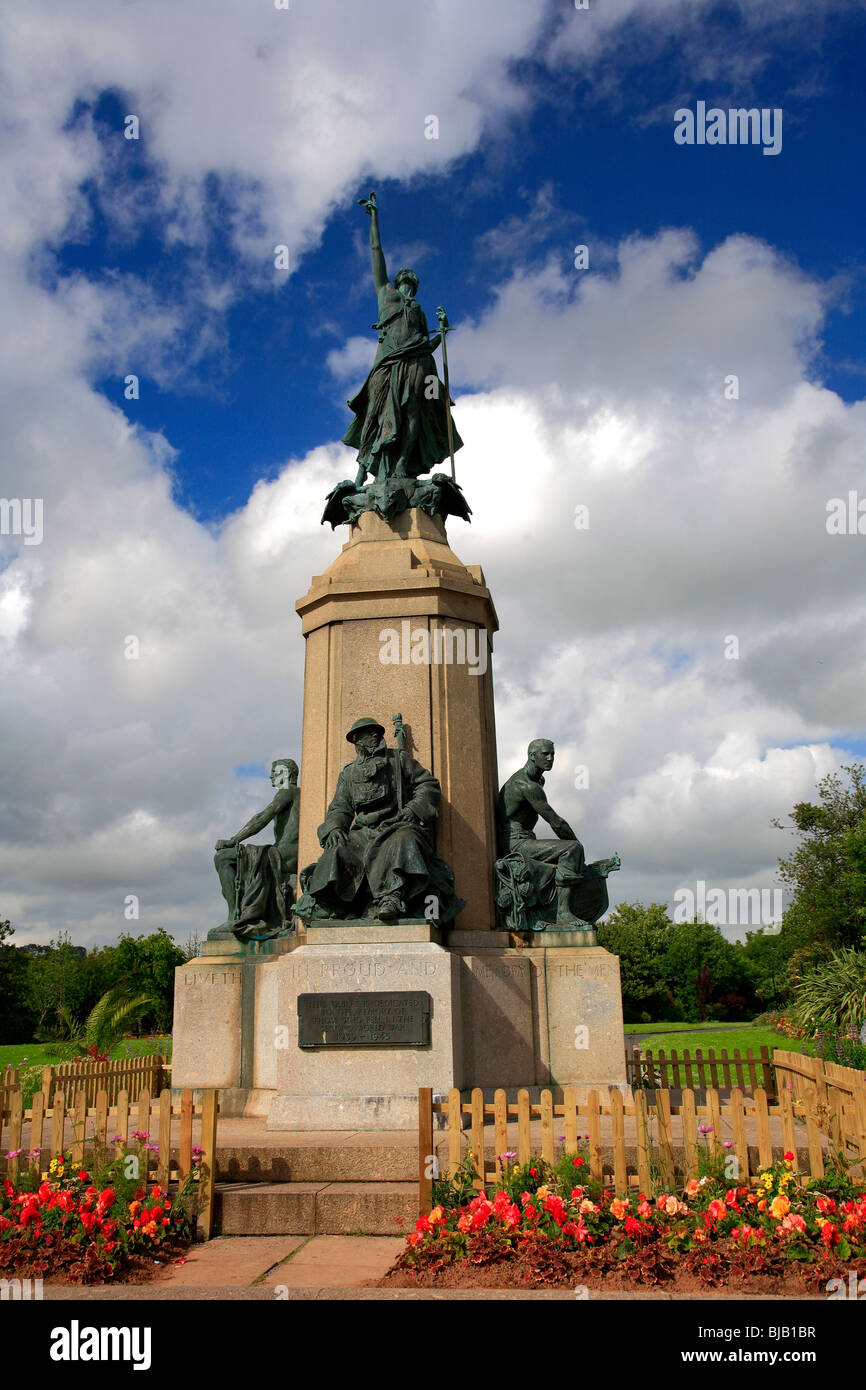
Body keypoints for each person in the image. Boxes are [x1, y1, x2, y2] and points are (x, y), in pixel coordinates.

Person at [342, 191, 463, 486]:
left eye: (412, 283)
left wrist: (442, 332)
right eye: (405, 281)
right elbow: (376, 252)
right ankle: (364, 473)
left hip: (418, 364)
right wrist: (374, 218)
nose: (409, 285)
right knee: (377, 416)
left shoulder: (419, 310)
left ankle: (402, 466)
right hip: (388, 364)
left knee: (415, 414)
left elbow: (425, 344)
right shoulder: (386, 295)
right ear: (398, 282)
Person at [295, 716, 464, 924]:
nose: (375, 735)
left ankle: (392, 898)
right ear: (357, 740)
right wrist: (335, 828)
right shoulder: (348, 774)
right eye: (368, 732)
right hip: (363, 833)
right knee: (339, 848)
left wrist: (413, 808)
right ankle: (338, 904)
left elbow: (427, 785)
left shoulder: (398, 760)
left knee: (404, 840)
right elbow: (340, 807)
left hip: (396, 826)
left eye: (376, 732)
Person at [495, 739, 619, 931]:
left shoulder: (538, 781)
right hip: (515, 843)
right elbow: (556, 822)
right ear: (532, 756)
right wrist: (577, 848)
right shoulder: (526, 785)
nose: (551, 758)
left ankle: (556, 911)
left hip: (525, 839)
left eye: (553, 754)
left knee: (570, 852)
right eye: (545, 754)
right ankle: (563, 913)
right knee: (572, 849)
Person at [209, 759, 300, 941]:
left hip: (289, 853)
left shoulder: (288, 791)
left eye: (275, 772)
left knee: (224, 858)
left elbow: (262, 818)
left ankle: (234, 917)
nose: (271, 776)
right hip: (283, 851)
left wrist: (234, 840)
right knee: (234, 859)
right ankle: (238, 913)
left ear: (286, 774)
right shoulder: (293, 793)